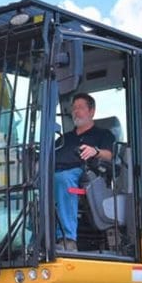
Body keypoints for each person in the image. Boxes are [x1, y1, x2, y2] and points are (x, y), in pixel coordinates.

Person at [54, 93, 115, 251]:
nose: (76, 111)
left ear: (92, 111)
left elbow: (109, 155)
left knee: (63, 179)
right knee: (35, 184)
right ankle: (35, 238)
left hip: (82, 171)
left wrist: (95, 151)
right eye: (74, 108)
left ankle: (67, 239)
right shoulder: (64, 138)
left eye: (80, 108)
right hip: (55, 171)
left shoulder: (103, 134)